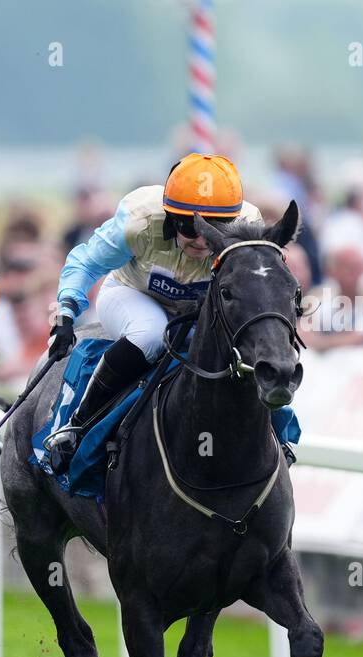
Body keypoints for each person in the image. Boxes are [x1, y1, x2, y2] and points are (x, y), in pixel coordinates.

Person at [43, 153, 264, 469]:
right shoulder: (139, 219)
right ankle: (79, 423)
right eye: (189, 226)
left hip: (201, 313)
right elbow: (86, 262)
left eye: (215, 227)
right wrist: (65, 312)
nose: (202, 240)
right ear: (171, 218)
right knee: (151, 334)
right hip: (131, 295)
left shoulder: (247, 227)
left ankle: (276, 435)